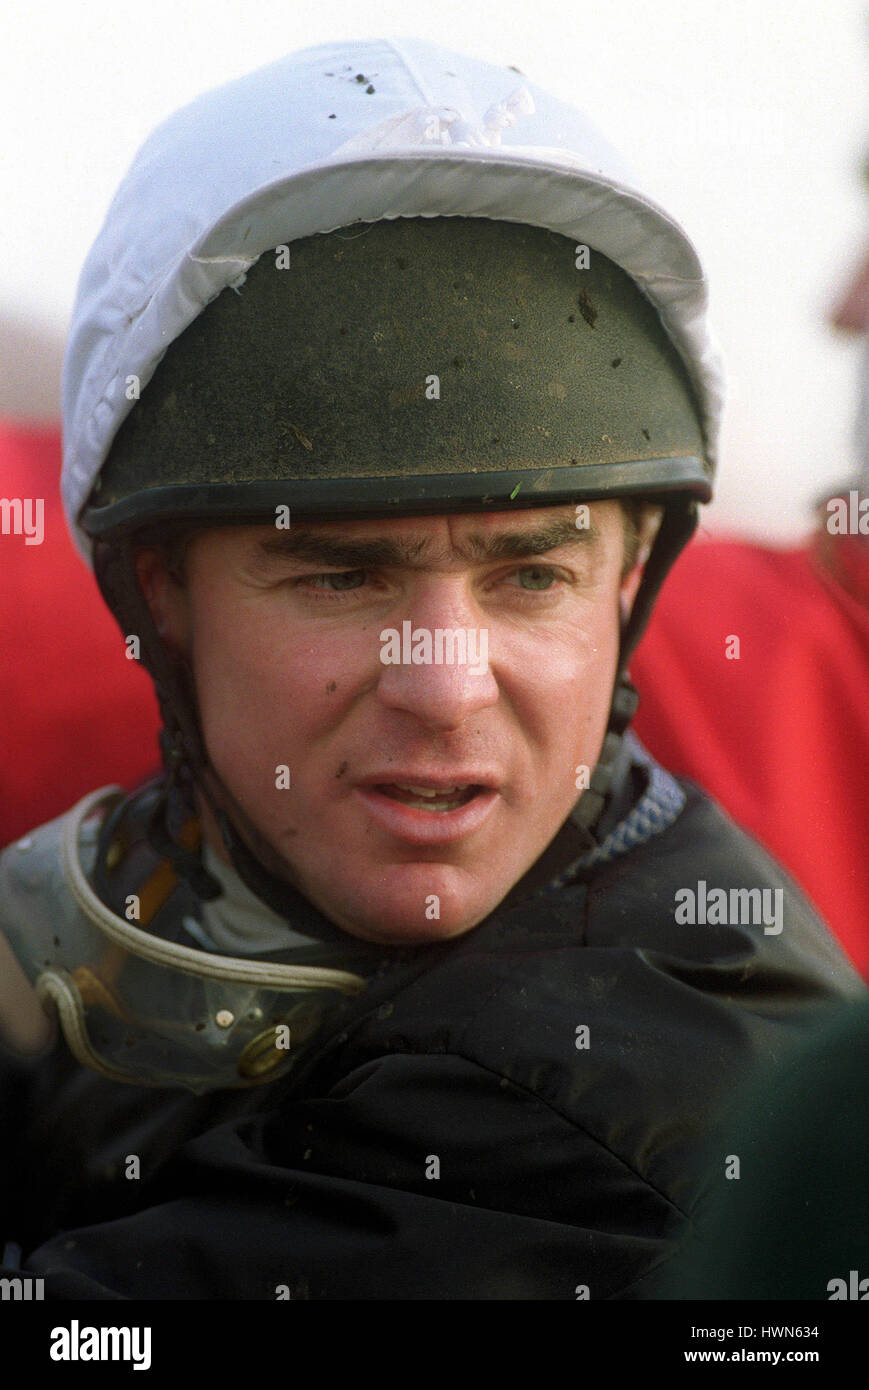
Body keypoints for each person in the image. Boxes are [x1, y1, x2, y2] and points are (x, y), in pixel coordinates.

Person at [0, 36, 863, 1302]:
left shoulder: (608, 1112)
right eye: (341, 576)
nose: (444, 682)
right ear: (161, 593)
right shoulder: (149, 879)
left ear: (628, 589)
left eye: (530, 574)